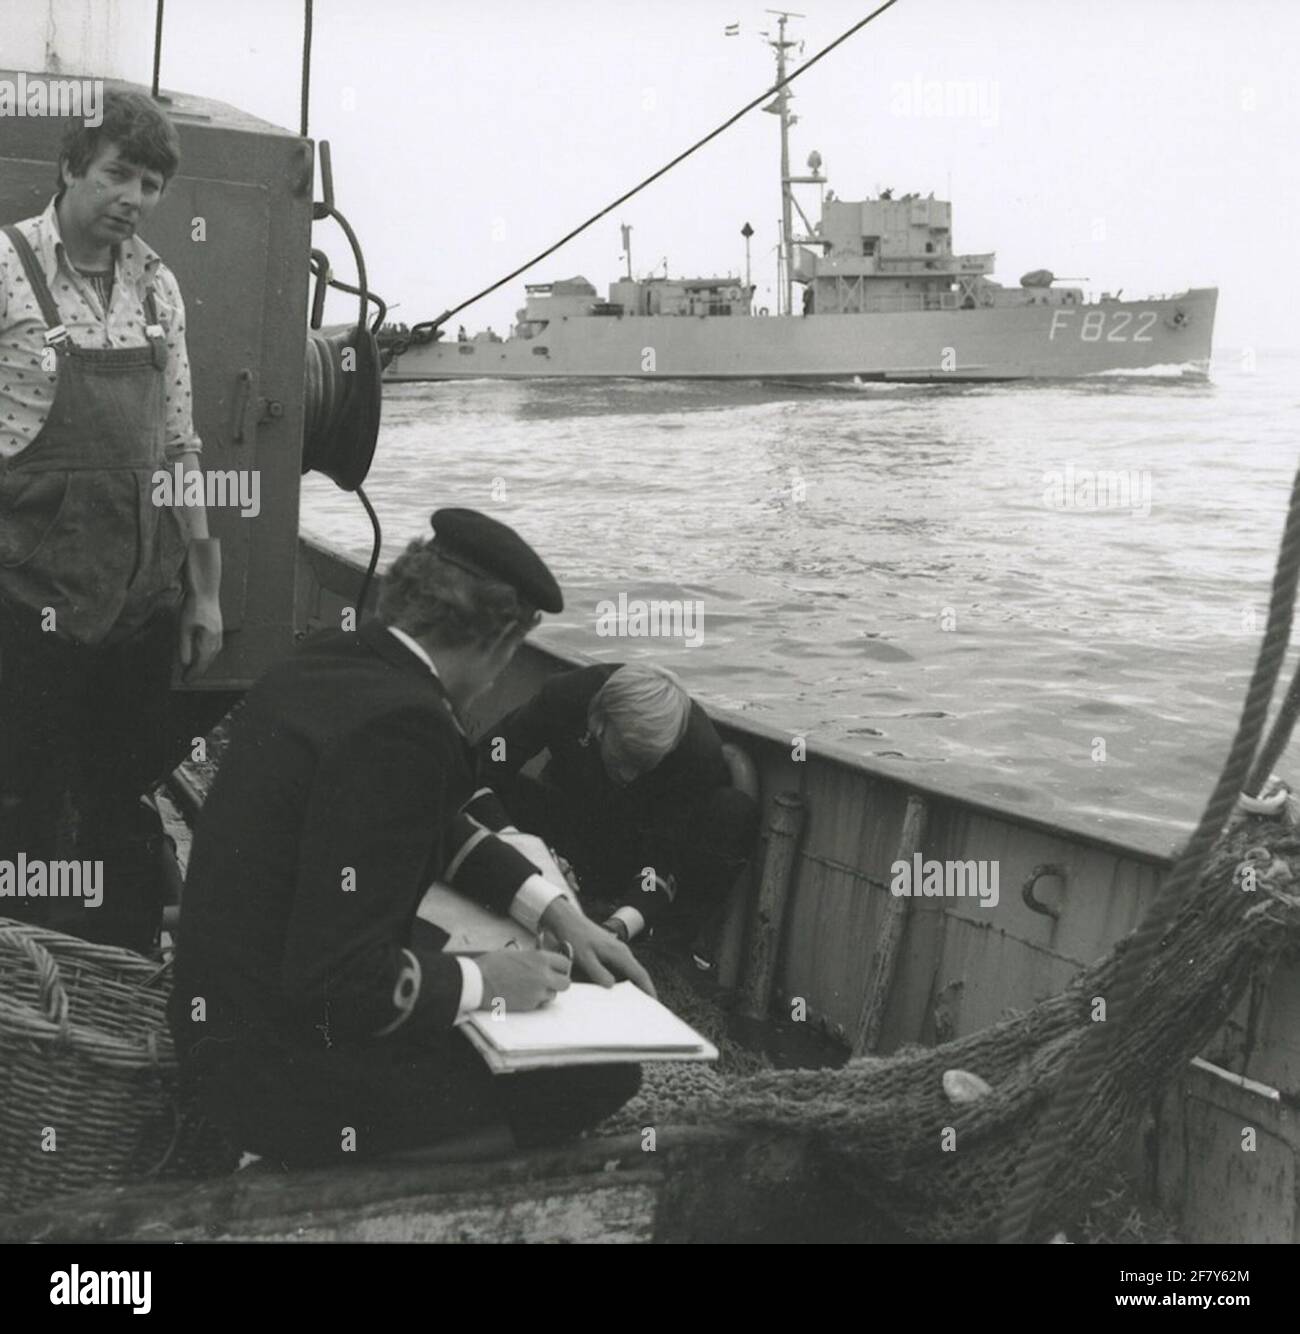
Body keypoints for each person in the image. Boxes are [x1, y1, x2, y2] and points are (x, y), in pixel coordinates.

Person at [169, 509, 649, 1168]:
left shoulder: (330, 662)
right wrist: (487, 981)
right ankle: (342, 1179)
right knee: (600, 1075)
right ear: (498, 642)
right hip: (271, 1082)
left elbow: (429, 822)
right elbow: (340, 985)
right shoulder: (408, 727)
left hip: (218, 1022)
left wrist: (558, 914)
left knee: (450, 966)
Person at [0, 92, 222, 954]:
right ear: (70, 170)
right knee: (21, 802)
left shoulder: (158, 284)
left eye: (153, 181)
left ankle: (121, 980)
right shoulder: (7, 268)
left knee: (117, 799)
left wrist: (202, 591)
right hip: (28, 601)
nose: (134, 196)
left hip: (138, 607)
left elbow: (182, 446)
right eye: (117, 173)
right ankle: (21, 999)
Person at [479, 663, 759, 952]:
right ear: (598, 723)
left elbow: (664, 858)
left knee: (733, 811)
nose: (629, 776)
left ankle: (659, 945)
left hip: (640, 855)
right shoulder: (565, 696)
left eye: (645, 764)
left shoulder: (697, 751)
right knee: (485, 785)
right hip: (571, 823)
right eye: (624, 757)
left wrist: (619, 927)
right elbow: (488, 761)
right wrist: (525, 848)